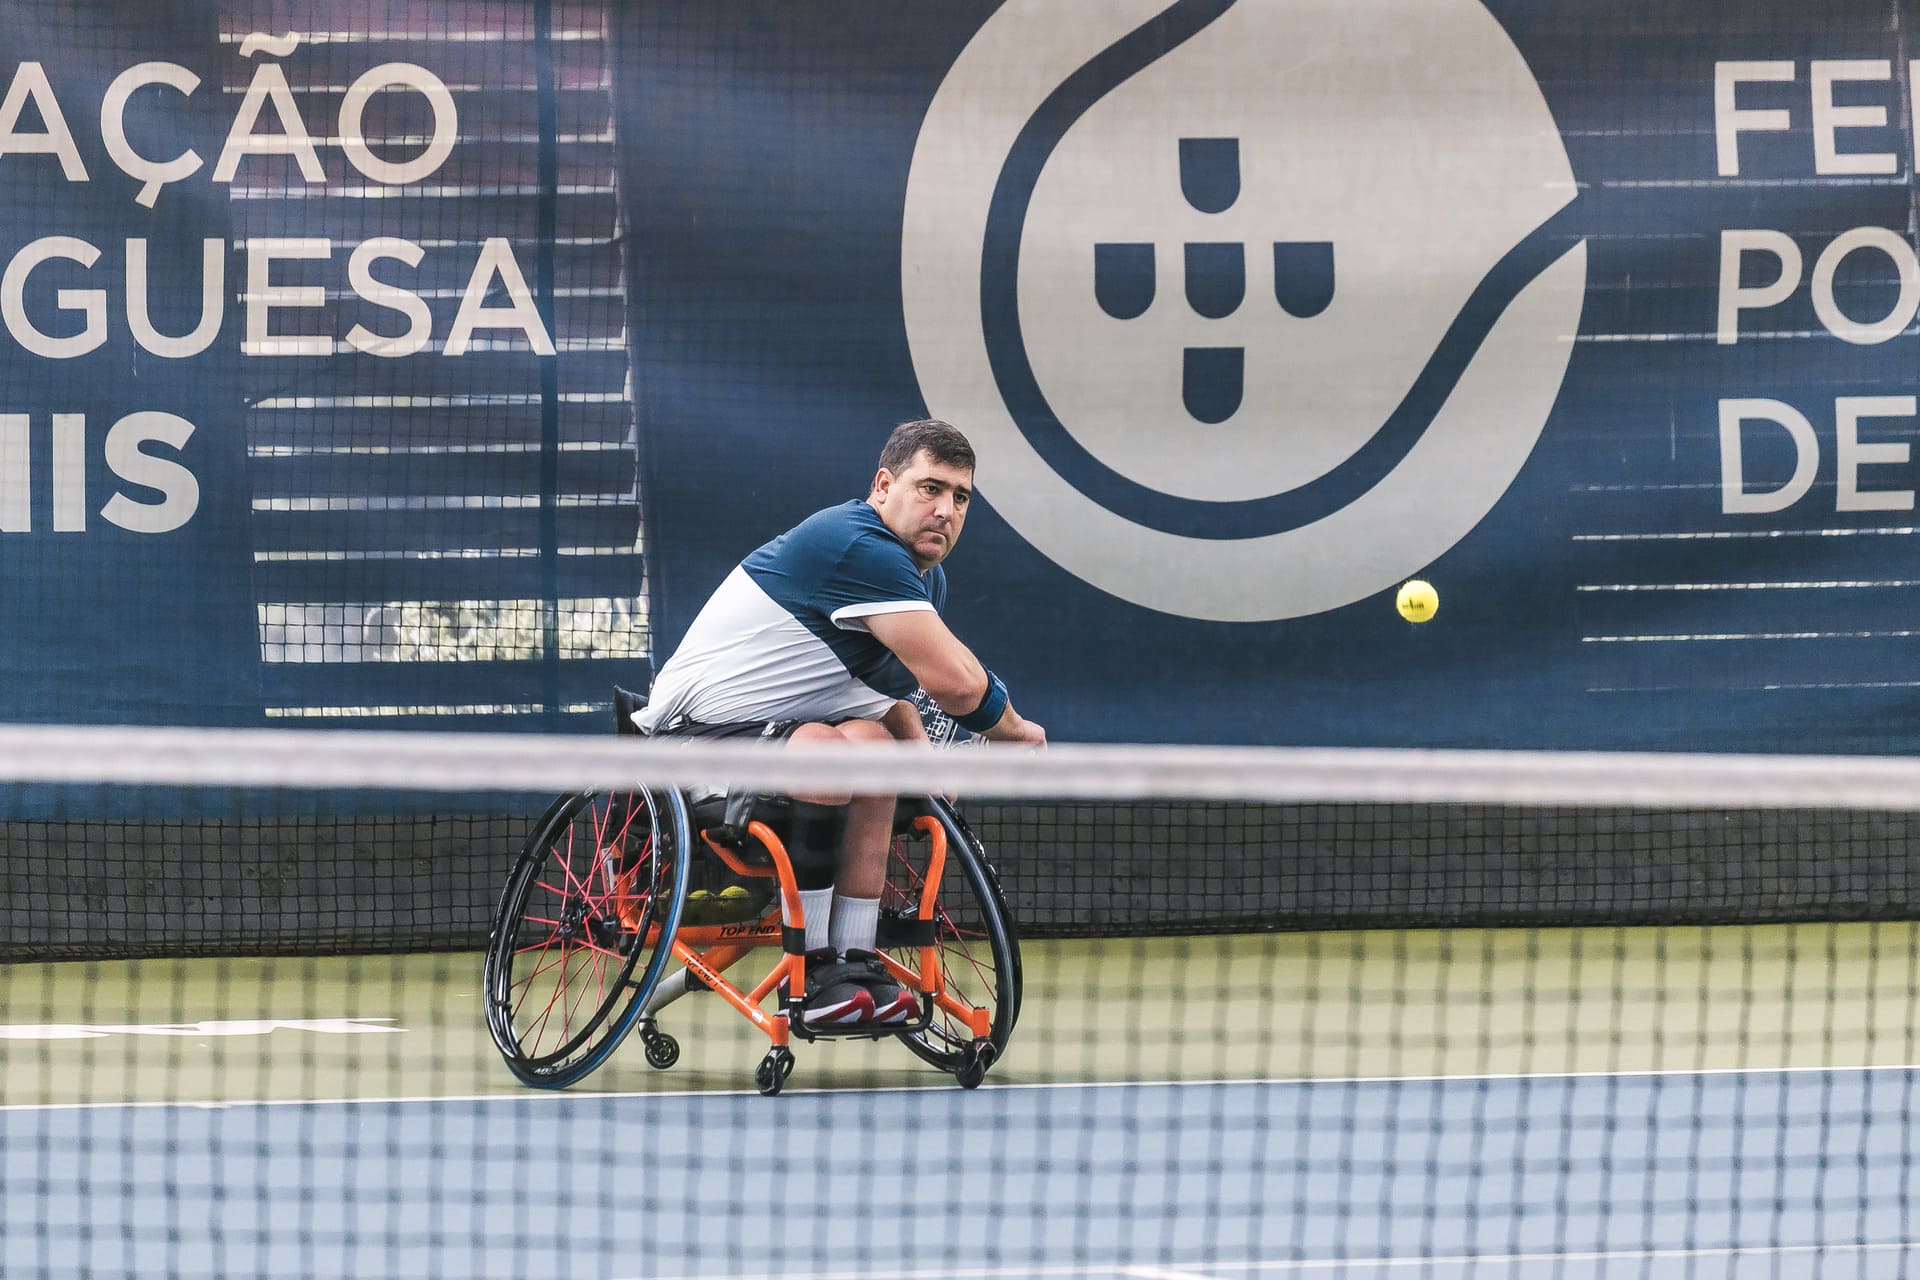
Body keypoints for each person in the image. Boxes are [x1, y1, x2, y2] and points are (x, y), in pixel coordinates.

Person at [635, 419, 1046, 1027]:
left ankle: (856, 961)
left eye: (960, 497)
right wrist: (1015, 731)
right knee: (832, 752)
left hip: (776, 735)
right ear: (884, 486)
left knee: (873, 751)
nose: (946, 510)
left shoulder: (922, 578)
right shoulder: (858, 545)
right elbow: (956, 682)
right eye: (930, 488)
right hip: (686, 744)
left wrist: (923, 761)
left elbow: (884, 695)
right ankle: (816, 971)